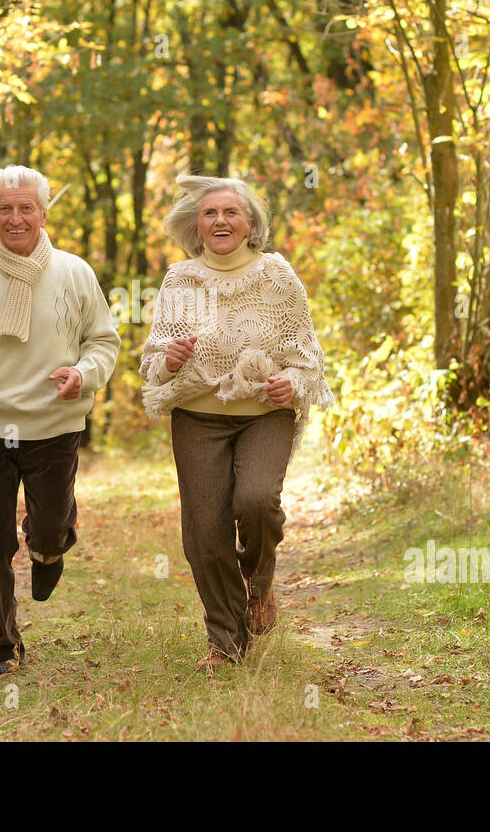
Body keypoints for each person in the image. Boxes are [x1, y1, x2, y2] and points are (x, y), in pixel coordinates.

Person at [0, 165, 121, 678]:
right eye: (6, 209)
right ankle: (1, 647)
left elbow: (104, 342)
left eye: (25, 208)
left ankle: (49, 550)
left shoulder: (75, 273)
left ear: (43, 213)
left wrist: (83, 373)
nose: (15, 218)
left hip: (55, 425)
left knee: (52, 529)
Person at [141, 174, 334, 672]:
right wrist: (173, 359)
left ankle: (260, 581)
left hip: (264, 413)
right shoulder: (180, 281)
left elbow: (306, 360)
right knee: (205, 531)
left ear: (250, 223)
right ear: (197, 225)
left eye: (231, 212)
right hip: (197, 415)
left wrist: (290, 384)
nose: (220, 220)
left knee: (256, 501)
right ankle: (227, 644)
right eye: (210, 213)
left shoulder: (277, 277)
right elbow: (156, 366)